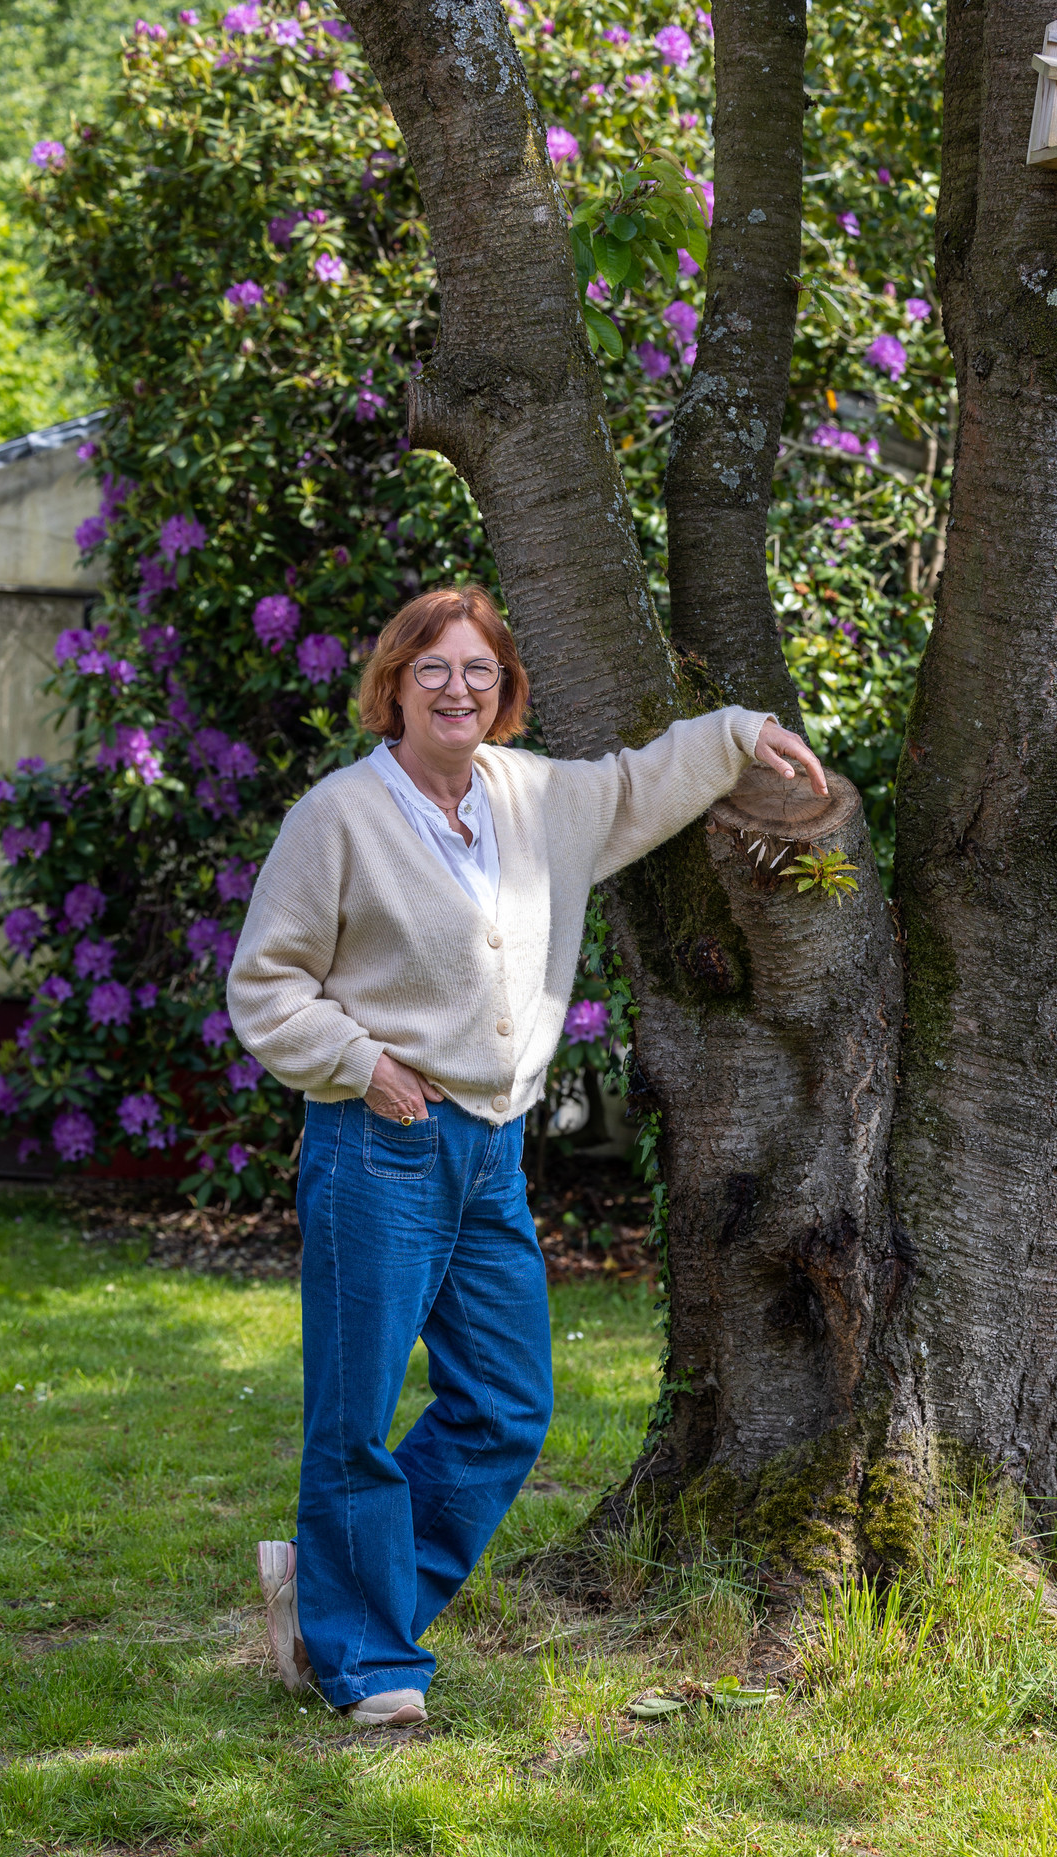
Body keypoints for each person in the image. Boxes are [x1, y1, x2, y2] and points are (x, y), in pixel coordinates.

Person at [227, 584, 827, 1726]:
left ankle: (342, 1603)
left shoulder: (532, 798)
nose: (457, 690)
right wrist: (361, 1063)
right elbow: (265, 983)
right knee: (352, 1416)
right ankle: (368, 1667)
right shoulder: (339, 817)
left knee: (505, 1406)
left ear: (505, 693)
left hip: (491, 1156)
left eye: (480, 673)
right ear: (394, 684)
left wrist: (739, 732)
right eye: (433, 670)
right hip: (379, 1144)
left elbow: (640, 783)